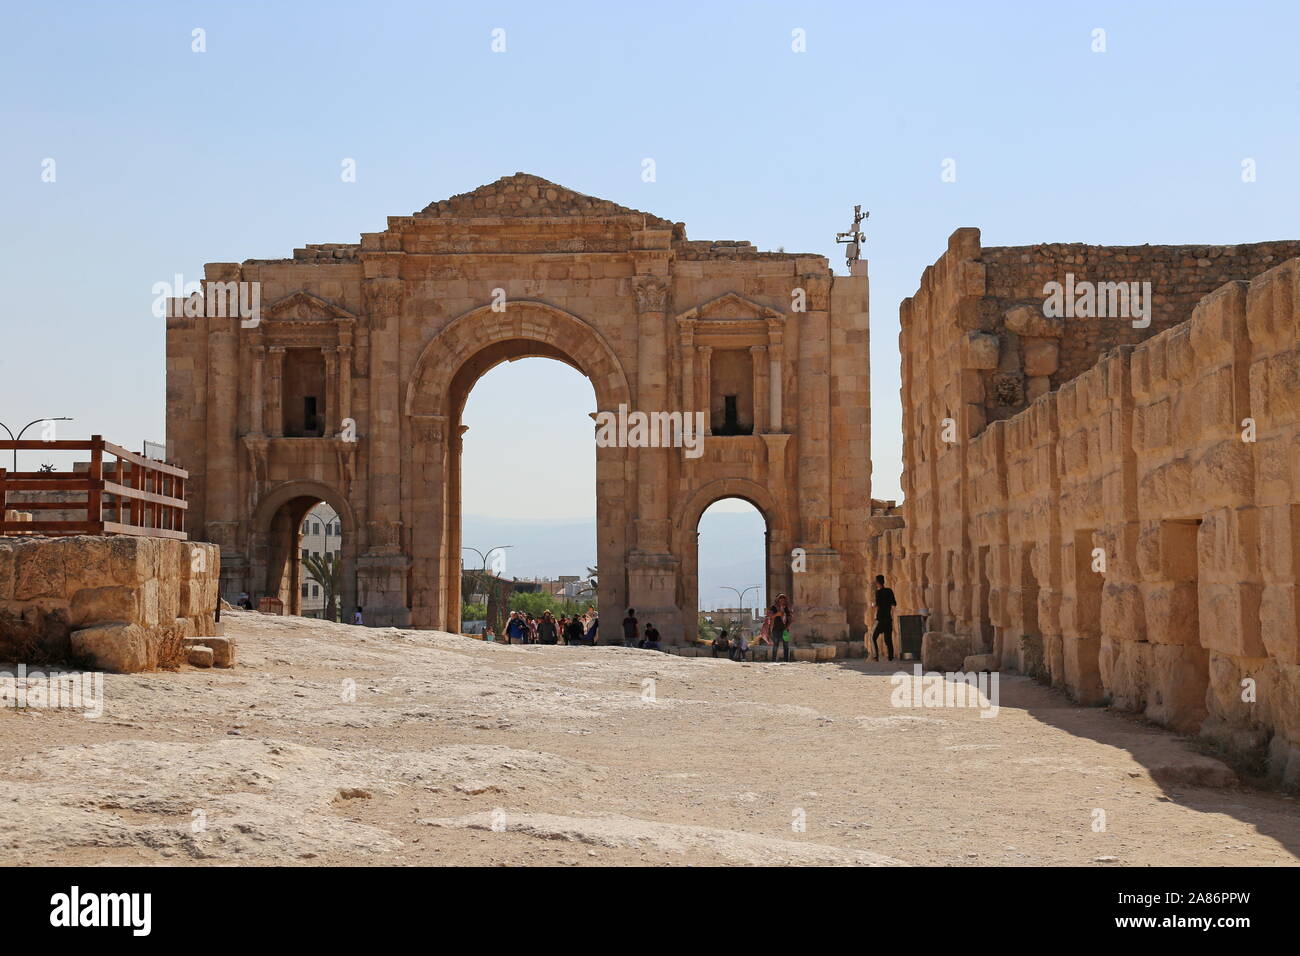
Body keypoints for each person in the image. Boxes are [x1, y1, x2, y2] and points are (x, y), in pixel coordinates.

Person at [870, 574, 897, 661]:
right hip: (888, 618)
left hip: (880, 619)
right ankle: (891, 657)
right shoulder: (889, 591)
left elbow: (877, 606)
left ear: (877, 583)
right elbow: (894, 604)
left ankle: (875, 656)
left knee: (873, 637)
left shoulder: (878, 592)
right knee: (888, 639)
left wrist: (873, 605)